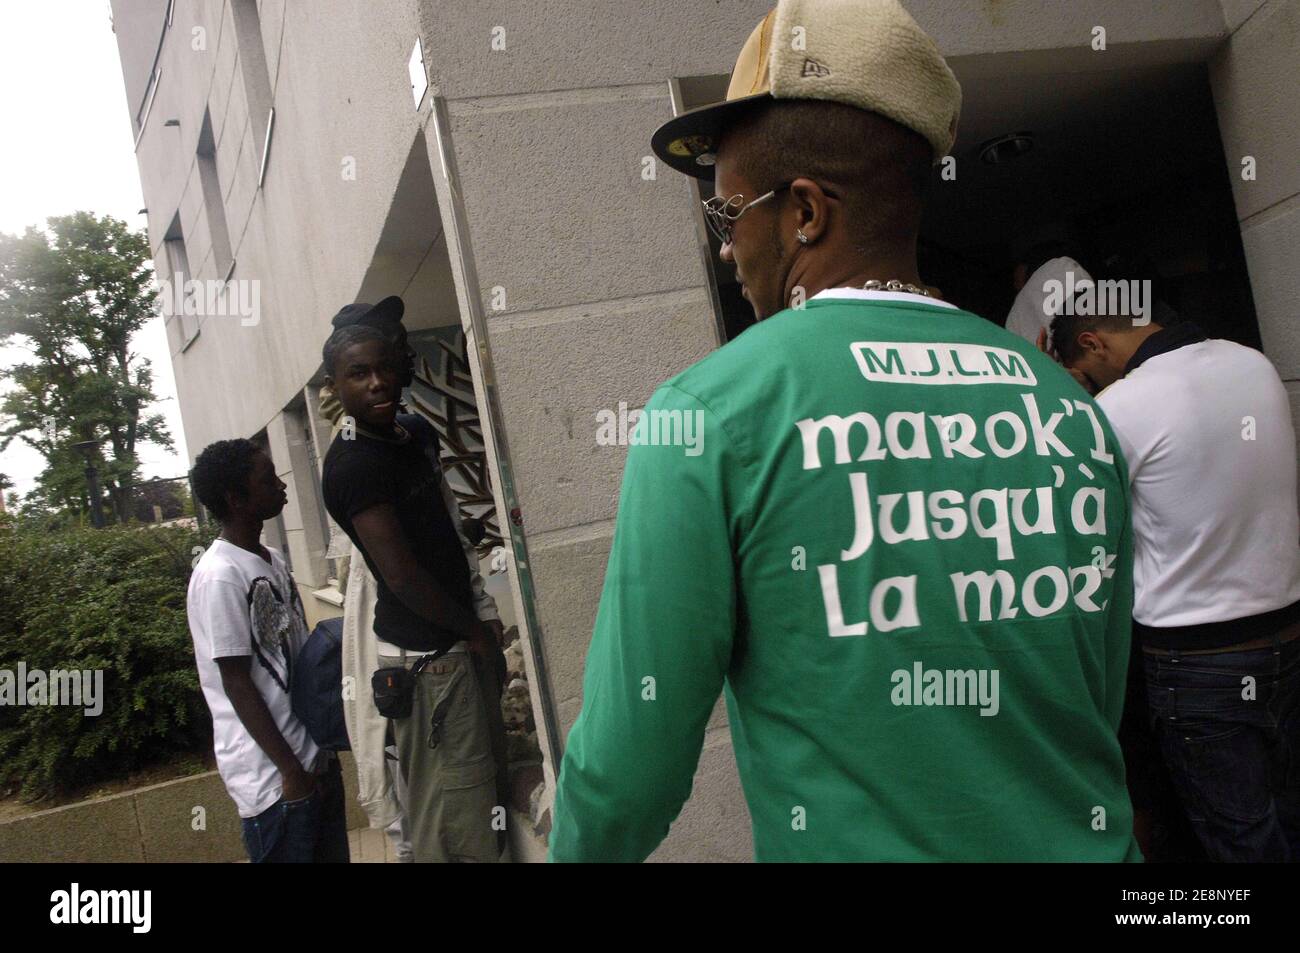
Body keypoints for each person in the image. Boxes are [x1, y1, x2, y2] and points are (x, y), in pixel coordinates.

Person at [549, 0, 1140, 862]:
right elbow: (1097, 695)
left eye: (728, 215)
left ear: (805, 214)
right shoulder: (1070, 410)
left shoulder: (706, 415)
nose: (725, 249)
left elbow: (622, 776)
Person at [1049, 307, 1300, 861]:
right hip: (1286, 635)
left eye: (1086, 375)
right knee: (1286, 812)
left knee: (1240, 837)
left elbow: (1082, 524)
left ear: (1091, 344)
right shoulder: (1254, 364)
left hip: (1197, 661)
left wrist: (1071, 401)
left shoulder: (1120, 406)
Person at [320, 322, 509, 863]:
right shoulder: (354, 465)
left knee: (477, 801)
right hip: (430, 661)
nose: (376, 383)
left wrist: (483, 609)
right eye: (358, 374)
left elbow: (449, 530)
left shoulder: (413, 434)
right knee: (452, 822)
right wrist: (473, 631)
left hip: (456, 641)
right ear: (336, 386)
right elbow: (401, 575)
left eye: (384, 368)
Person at [187, 439, 349, 863]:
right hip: (276, 785)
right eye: (267, 479)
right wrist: (290, 772)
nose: (282, 485)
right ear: (235, 498)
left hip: (315, 762)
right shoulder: (220, 576)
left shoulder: (272, 559)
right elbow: (237, 683)